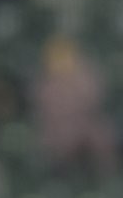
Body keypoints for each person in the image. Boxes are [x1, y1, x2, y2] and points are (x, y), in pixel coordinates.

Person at [32, 35, 118, 176]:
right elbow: (48, 109)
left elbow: (94, 98)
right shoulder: (44, 85)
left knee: (101, 137)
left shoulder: (85, 76)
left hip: (87, 133)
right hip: (56, 139)